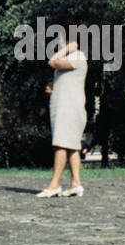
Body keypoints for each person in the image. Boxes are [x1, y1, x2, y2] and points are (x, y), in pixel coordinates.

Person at [38, 29, 88, 198]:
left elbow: (52, 62)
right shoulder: (71, 58)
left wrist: (66, 49)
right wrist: (54, 89)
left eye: (60, 40)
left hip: (70, 108)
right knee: (72, 146)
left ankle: (54, 184)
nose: (58, 44)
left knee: (61, 143)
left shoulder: (77, 56)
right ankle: (76, 183)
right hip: (66, 105)